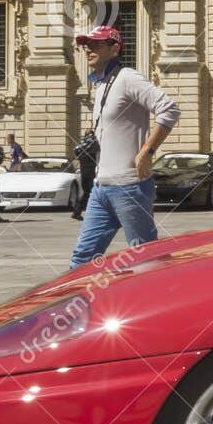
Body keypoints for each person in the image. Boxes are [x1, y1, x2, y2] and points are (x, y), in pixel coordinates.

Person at [69, 24, 181, 268]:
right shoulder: (101, 85)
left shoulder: (127, 77)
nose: (89, 49)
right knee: (82, 258)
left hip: (130, 186)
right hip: (101, 187)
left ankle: (161, 301)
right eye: (87, 45)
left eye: (96, 44)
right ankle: (78, 306)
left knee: (145, 257)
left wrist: (147, 152)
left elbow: (169, 109)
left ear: (115, 48)